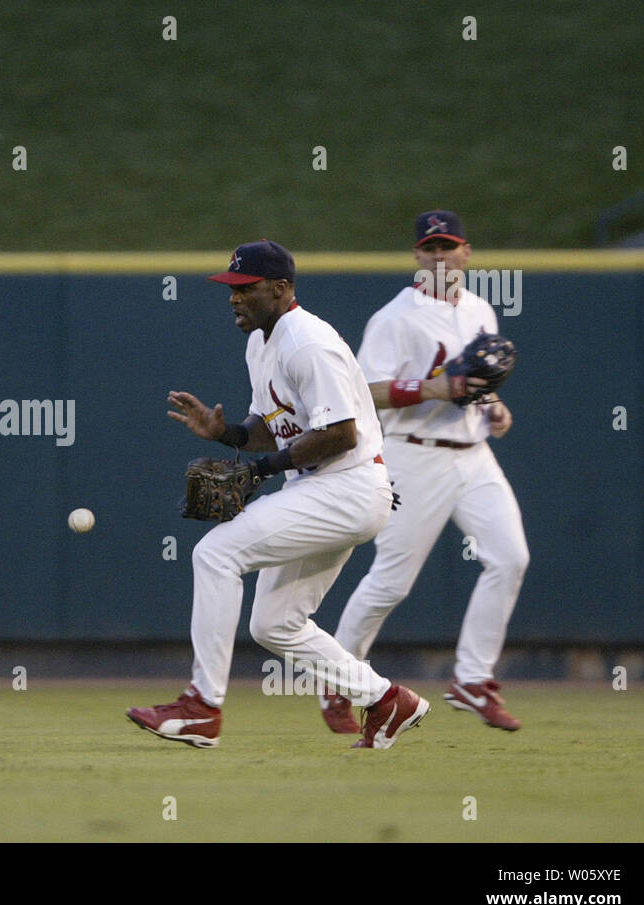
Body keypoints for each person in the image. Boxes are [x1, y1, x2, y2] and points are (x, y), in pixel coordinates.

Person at [127, 240, 430, 749]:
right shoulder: (261, 343)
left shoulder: (308, 342)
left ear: (281, 288)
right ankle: (384, 699)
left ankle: (201, 707)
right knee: (275, 624)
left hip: (346, 485)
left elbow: (340, 433)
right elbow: (279, 428)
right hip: (330, 487)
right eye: (231, 289)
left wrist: (262, 470)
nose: (234, 299)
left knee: (216, 554)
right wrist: (229, 435)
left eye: (246, 289)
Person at [322, 211, 528, 734]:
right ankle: (340, 678)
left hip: (473, 453)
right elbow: (363, 392)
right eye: (430, 248)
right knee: (391, 582)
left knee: (510, 558)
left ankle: (473, 680)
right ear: (417, 256)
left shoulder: (481, 309)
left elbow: (476, 380)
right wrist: (430, 389)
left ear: (466, 253)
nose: (439, 257)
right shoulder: (395, 317)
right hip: (413, 453)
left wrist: (492, 405)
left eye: (449, 247)